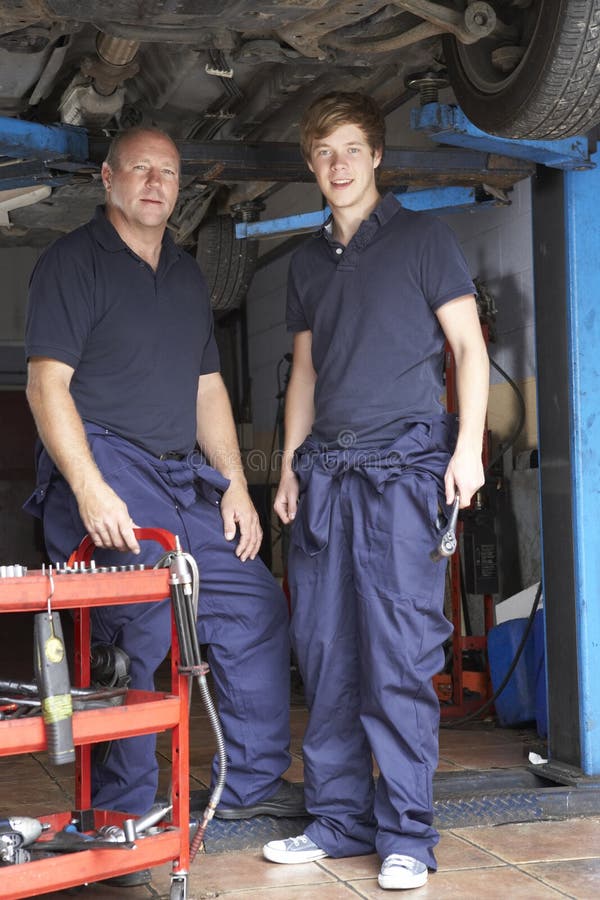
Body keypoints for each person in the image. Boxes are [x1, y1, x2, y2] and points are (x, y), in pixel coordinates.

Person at [24, 127, 303, 887]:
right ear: (108, 178)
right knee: (138, 619)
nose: (155, 183)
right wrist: (87, 486)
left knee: (251, 604)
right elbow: (46, 384)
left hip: (181, 479)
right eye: (140, 169)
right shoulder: (71, 263)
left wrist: (236, 485)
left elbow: (207, 388)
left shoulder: (185, 278)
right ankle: (120, 818)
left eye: (169, 173)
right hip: (106, 462)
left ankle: (245, 784)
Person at [262, 93, 489, 890]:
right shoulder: (304, 263)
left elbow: (466, 346)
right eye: (324, 152)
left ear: (378, 156)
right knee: (325, 651)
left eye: (352, 148)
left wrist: (468, 451)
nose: (339, 165)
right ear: (312, 164)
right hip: (325, 474)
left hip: (405, 469)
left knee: (397, 653)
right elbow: (306, 375)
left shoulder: (425, 239)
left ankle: (406, 836)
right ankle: (334, 819)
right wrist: (289, 467)